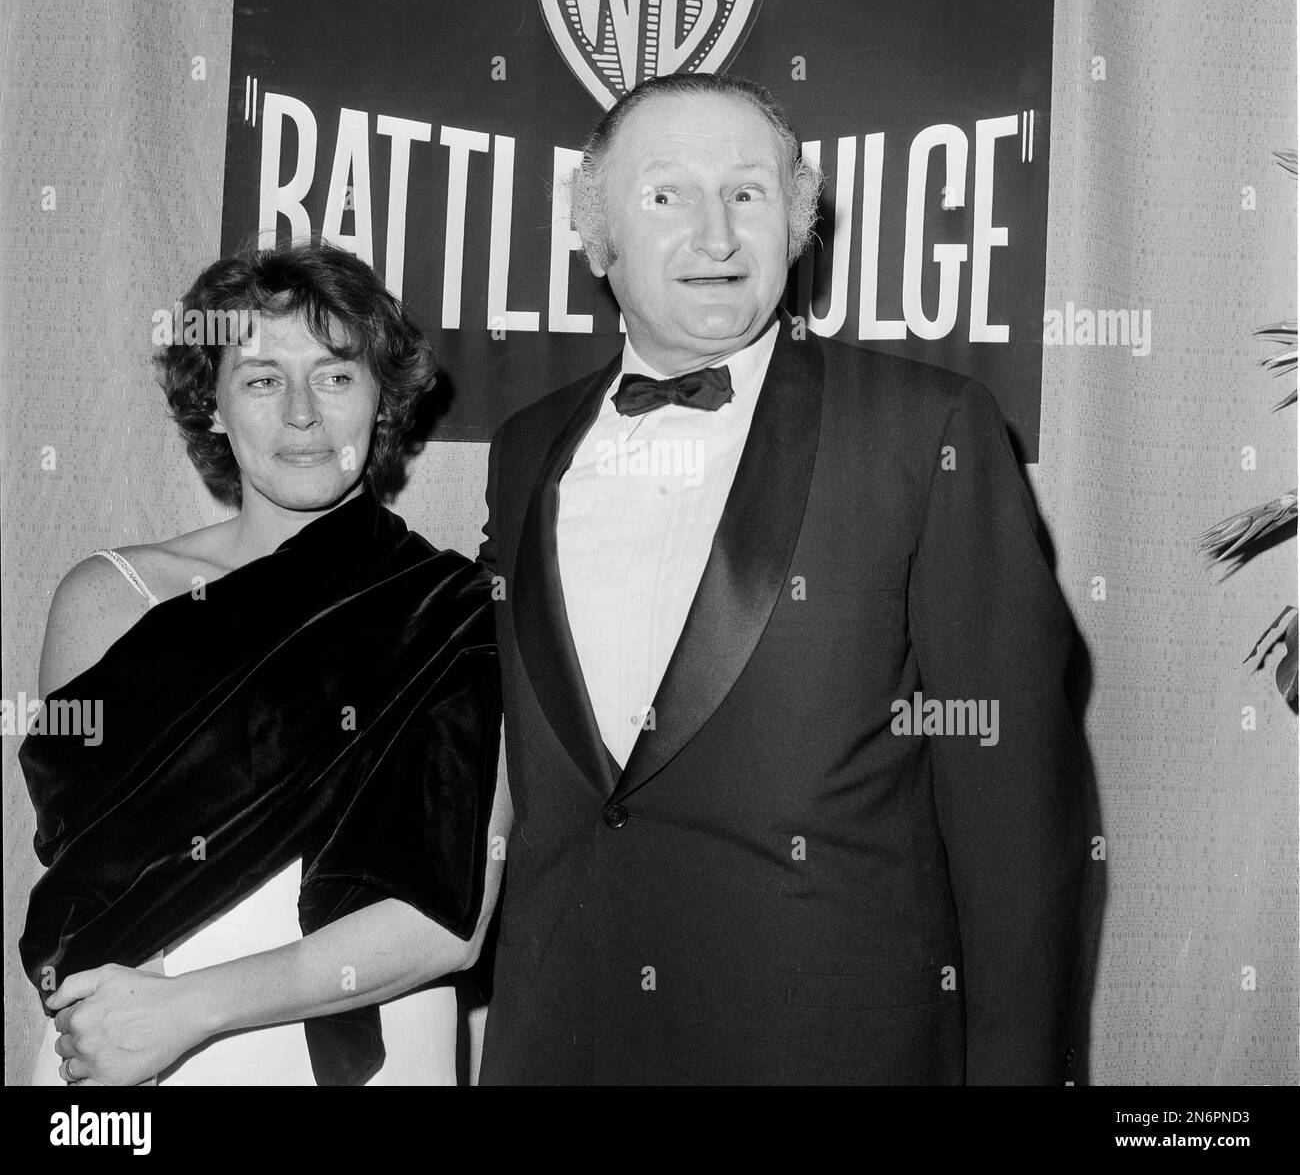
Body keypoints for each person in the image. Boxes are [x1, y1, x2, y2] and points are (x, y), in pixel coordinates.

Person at [478, 73, 1085, 1085]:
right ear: (596, 237)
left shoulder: (925, 430)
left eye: (748, 194)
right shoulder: (526, 446)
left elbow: (1014, 813)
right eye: (666, 195)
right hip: (562, 1037)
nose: (715, 236)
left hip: (830, 1045)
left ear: (799, 223)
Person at [21, 239, 509, 1086]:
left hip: (362, 1045)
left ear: (382, 402)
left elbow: (446, 921)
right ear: (209, 405)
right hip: (136, 1048)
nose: (300, 415)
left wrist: (194, 1009)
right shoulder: (110, 597)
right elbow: (88, 892)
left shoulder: (451, 611)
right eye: (259, 379)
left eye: (335, 374)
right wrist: (146, 1021)